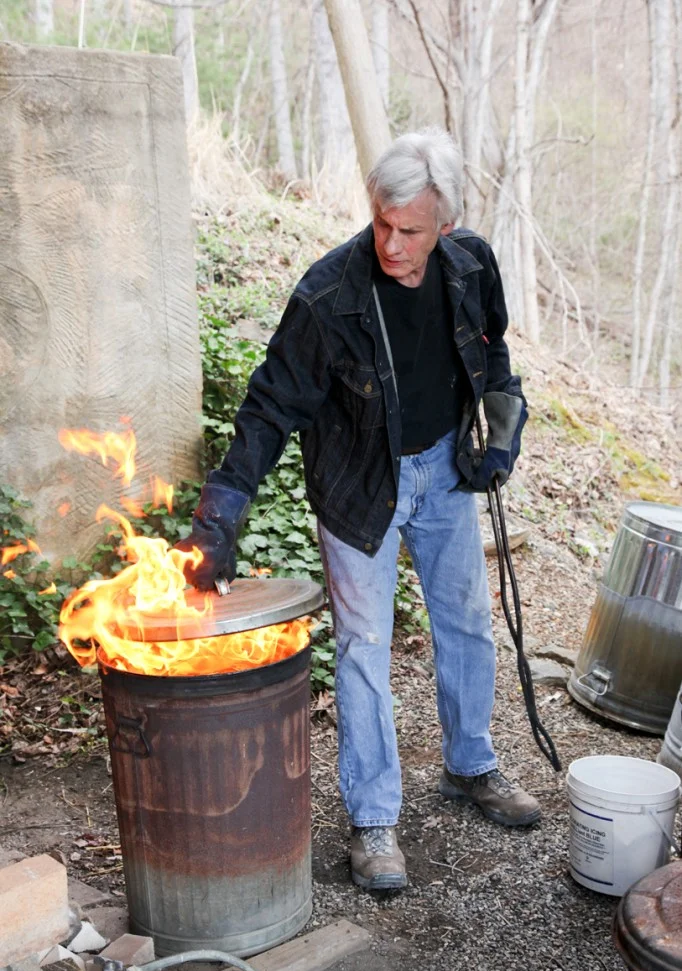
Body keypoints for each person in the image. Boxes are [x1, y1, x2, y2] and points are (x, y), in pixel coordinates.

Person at [177, 127, 540, 892]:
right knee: (363, 648)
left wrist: (502, 425)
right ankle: (374, 820)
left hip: (443, 471)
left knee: (468, 622)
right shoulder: (328, 296)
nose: (391, 242)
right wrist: (220, 515)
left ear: (445, 223)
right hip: (356, 486)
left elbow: (493, 352)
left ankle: (471, 764)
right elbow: (268, 407)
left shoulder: (471, 265)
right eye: (381, 221)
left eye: (409, 230)